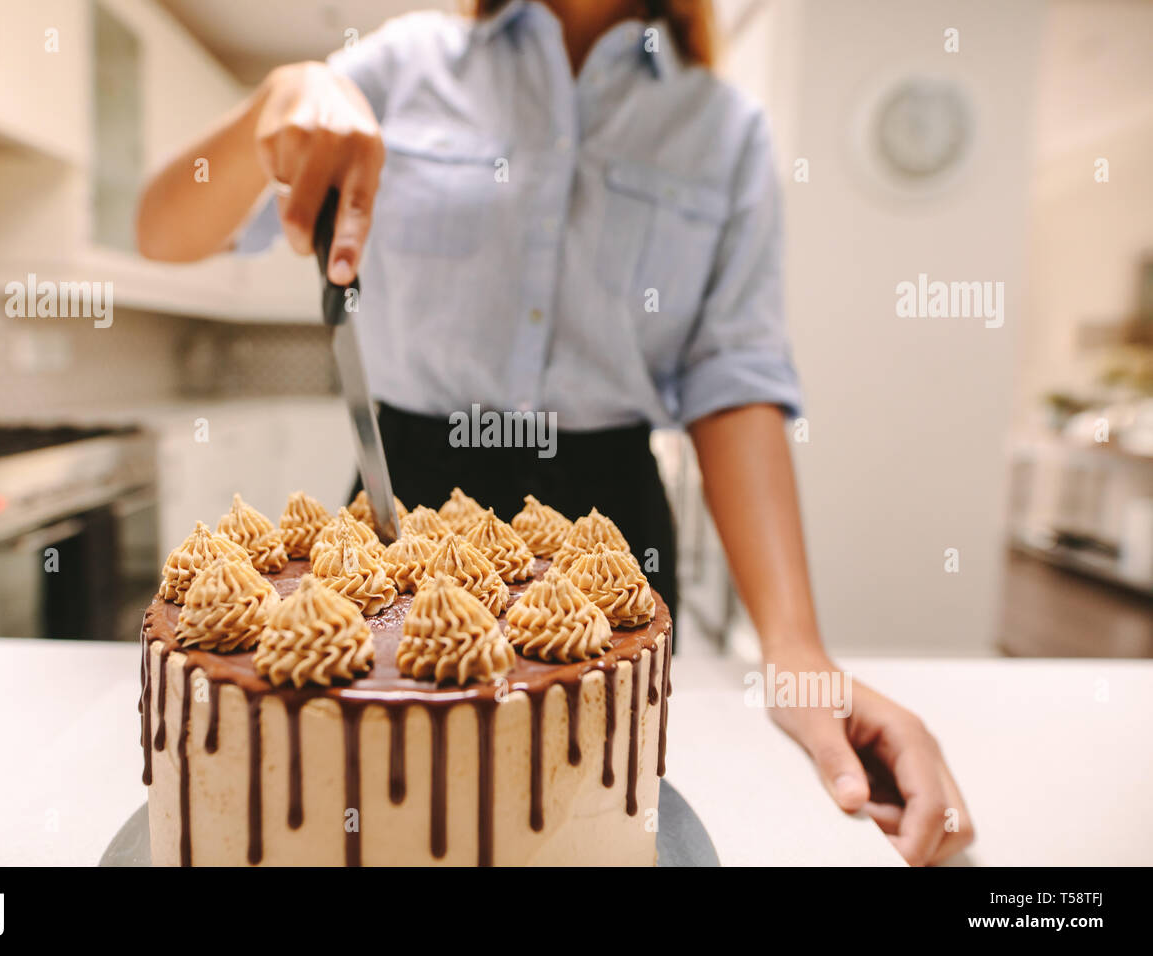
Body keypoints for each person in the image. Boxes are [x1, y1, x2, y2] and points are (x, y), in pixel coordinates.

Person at [136, 0, 973, 865]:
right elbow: (161, 231)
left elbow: (734, 381)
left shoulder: (723, 128)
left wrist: (796, 656)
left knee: (574, 825)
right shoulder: (404, 64)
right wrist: (269, 107)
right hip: (400, 512)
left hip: (605, 537)